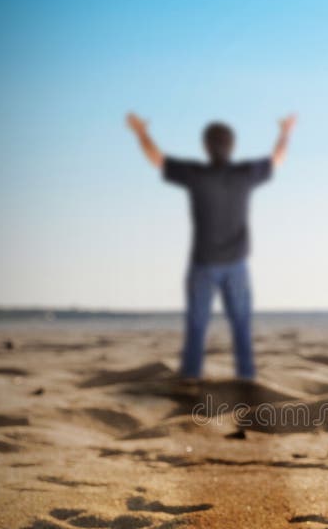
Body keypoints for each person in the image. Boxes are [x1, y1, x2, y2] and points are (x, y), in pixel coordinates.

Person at [126, 112, 297, 381]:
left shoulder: (197, 174)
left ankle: (193, 377)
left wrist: (141, 133)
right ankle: (245, 377)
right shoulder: (244, 174)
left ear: (206, 146)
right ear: (232, 146)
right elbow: (278, 159)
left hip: (204, 264)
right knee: (240, 325)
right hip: (234, 265)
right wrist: (286, 132)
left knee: (197, 326)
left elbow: (157, 160)